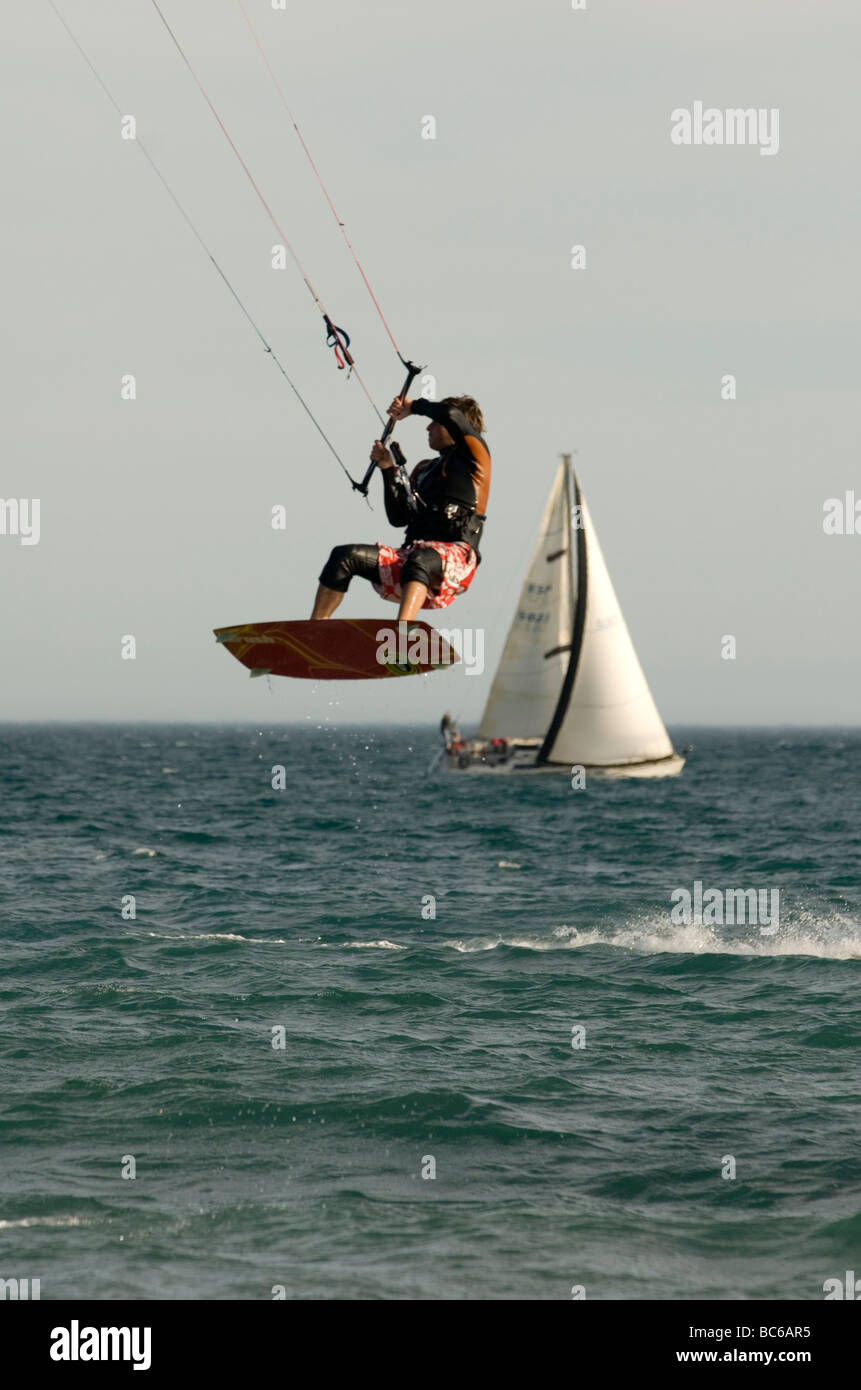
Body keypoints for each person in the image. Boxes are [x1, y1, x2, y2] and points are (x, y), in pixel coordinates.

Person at [310, 395, 491, 622]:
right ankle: (315, 630)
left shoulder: (476, 458)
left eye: (435, 422)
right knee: (344, 556)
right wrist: (387, 469)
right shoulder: (425, 469)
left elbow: (450, 414)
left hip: (455, 559)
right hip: (413, 562)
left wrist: (413, 406)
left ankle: (402, 633)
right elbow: (399, 517)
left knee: (420, 559)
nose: (429, 426)